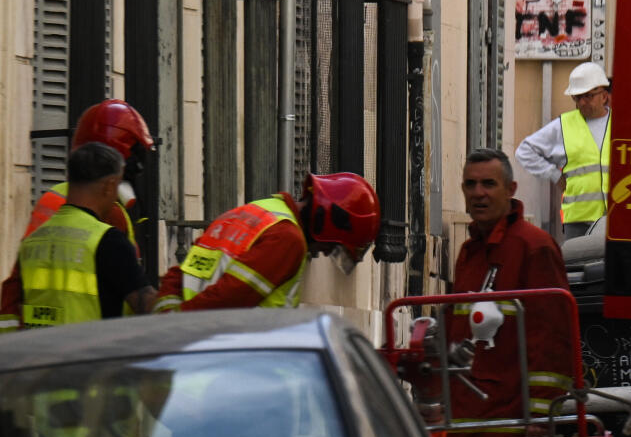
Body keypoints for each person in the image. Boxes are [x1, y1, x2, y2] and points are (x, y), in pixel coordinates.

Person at [1, 101, 156, 328]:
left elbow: (14, 292)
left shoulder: (51, 206)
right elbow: (139, 297)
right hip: (93, 350)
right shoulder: (107, 217)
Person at [448, 149, 570, 421]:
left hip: (512, 424)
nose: (478, 193)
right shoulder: (469, 252)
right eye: (470, 184)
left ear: (510, 189)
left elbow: (551, 340)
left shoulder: (535, 248)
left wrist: (541, 414)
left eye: (489, 184)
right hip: (463, 417)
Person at [160, 171, 378, 310]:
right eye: (334, 245)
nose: (326, 251)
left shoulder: (254, 212)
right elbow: (231, 298)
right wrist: (179, 325)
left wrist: (167, 315)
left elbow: (184, 272)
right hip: (230, 359)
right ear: (328, 221)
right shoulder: (288, 240)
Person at [514, 61, 612, 240]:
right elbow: (524, 151)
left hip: (616, 216)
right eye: (577, 97)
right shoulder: (564, 126)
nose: (581, 102)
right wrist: (554, 175)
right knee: (578, 267)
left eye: (587, 96)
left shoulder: (622, 124)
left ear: (604, 96)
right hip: (579, 220)